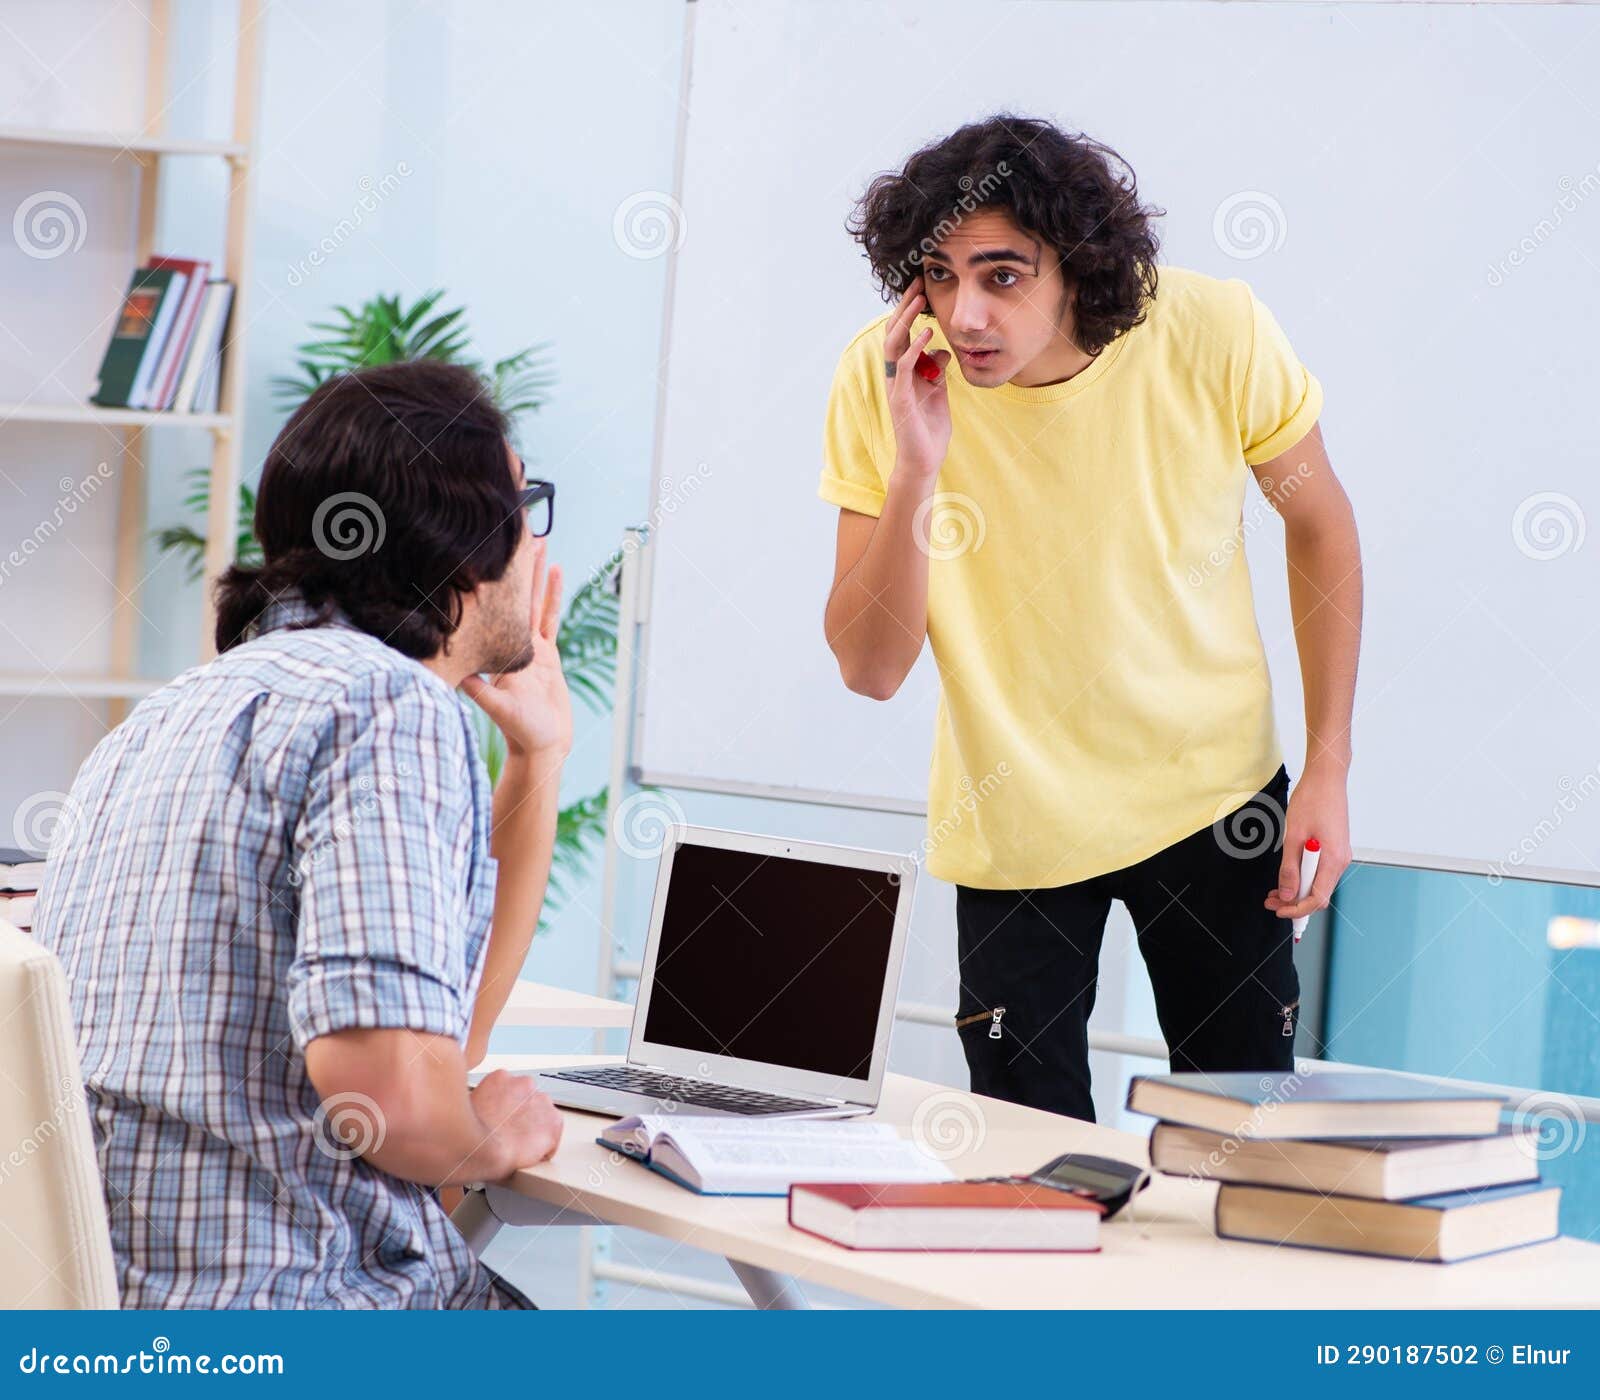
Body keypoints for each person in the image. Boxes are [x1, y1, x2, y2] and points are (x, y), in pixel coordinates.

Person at [819, 115, 1362, 1122]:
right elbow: (869, 664)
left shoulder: (1212, 330)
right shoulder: (888, 376)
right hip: (1012, 821)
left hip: (1213, 797)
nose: (965, 312)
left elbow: (1322, 529)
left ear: (1076, 261)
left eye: (1002, 275)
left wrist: (1326, 762)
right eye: (937, 275)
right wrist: (916, 467)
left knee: (1244, 1147)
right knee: (1026, 1173)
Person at [33, 359, 569, 1307]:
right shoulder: (388, 708)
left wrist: (539, 760)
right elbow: (400, 1105)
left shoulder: (165, 716)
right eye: (524, 505)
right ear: (465, 541)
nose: (535, 544)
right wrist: (485, 1136)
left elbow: (439, 1041)